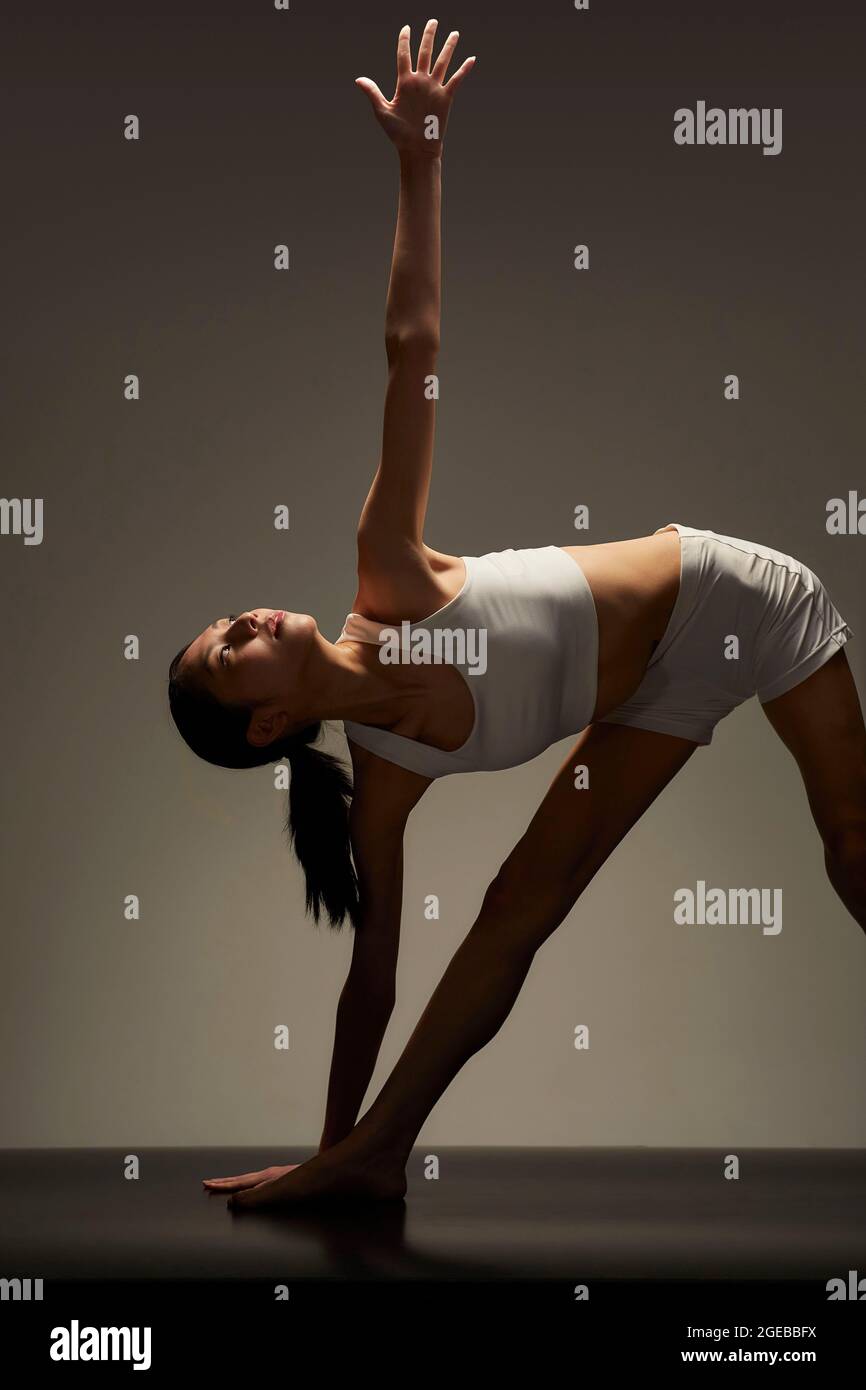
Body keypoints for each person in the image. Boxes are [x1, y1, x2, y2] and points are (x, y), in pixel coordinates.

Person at [167, 21, 866, 1209]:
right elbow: (370, 982)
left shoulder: (386, 578)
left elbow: (412, 348)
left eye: (229, 618)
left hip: (737, 594)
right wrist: (325, 1147)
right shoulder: (380, 779)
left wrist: (419, 161)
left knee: (851, 851)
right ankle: (371, 1160)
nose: (247, 621)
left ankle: (360, 1156)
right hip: (653, 695)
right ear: (263, 725)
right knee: (511, 911)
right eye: (231, 650)